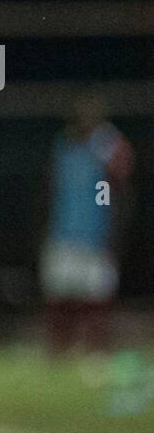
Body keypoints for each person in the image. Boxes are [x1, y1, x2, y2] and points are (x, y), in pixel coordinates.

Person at [41, 94, 134, 355]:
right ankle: (60, 350)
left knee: (96, 295)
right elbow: (50, 190)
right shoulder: (64, 145)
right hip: (64, 231)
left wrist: (114, 235)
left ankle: (95, 350)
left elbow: (122, 193)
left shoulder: (110, 146)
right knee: (60, 293)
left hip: (96, 234)